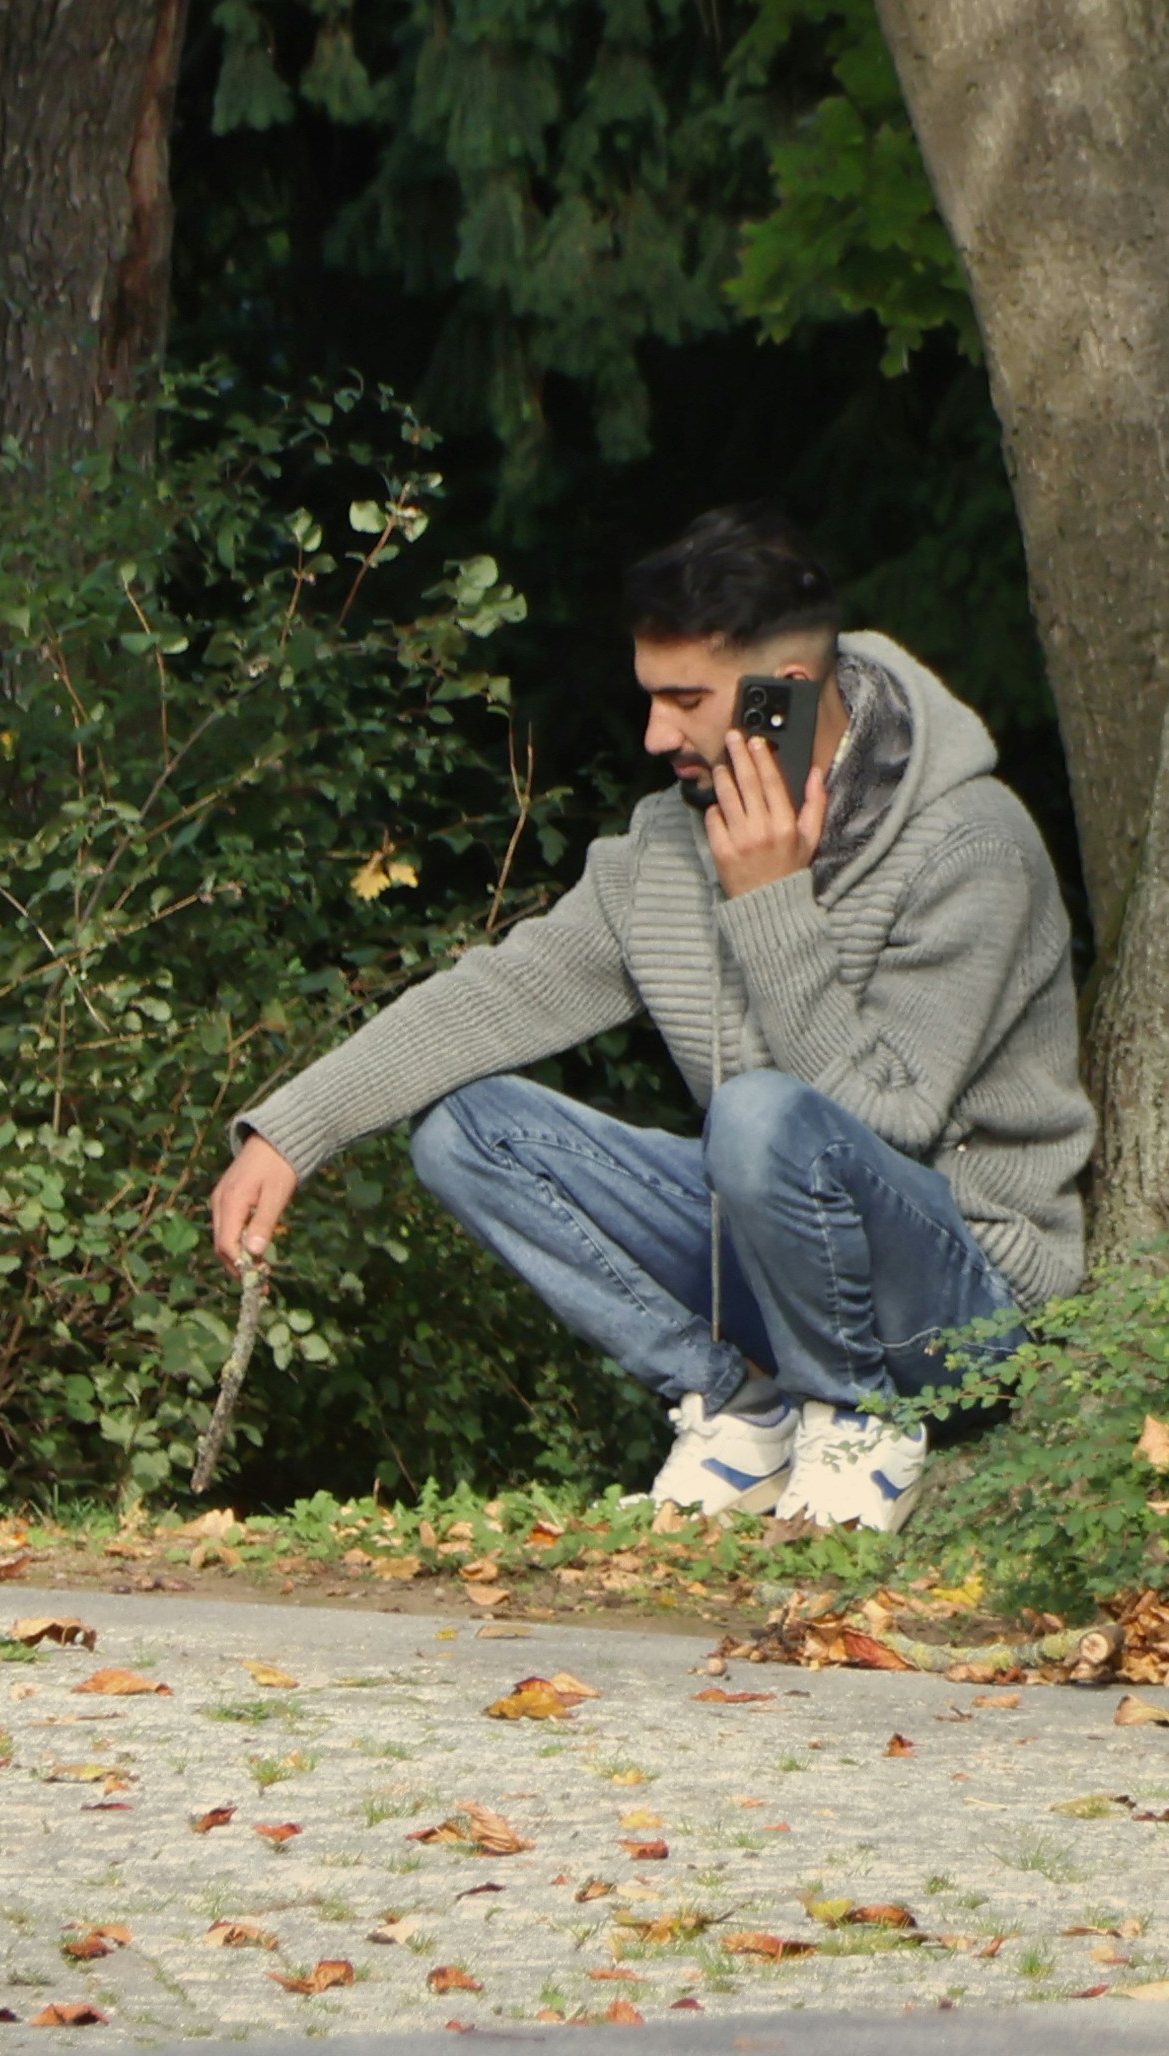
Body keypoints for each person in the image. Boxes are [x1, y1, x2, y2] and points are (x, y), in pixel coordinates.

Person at [207, 503, 1092, 1526]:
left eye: (685, 700)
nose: (655, 734)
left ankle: (859, 1420)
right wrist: (292, 1132)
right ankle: (743, 1411)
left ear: (781, 693)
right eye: (651, 697)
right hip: (782, 1270)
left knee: (759, 1113)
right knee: (468, 1129)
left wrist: (772, 904)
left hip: (965, 1306)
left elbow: (889, 1121)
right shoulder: (669, 846)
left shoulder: (967, 847)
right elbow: (498, 992)